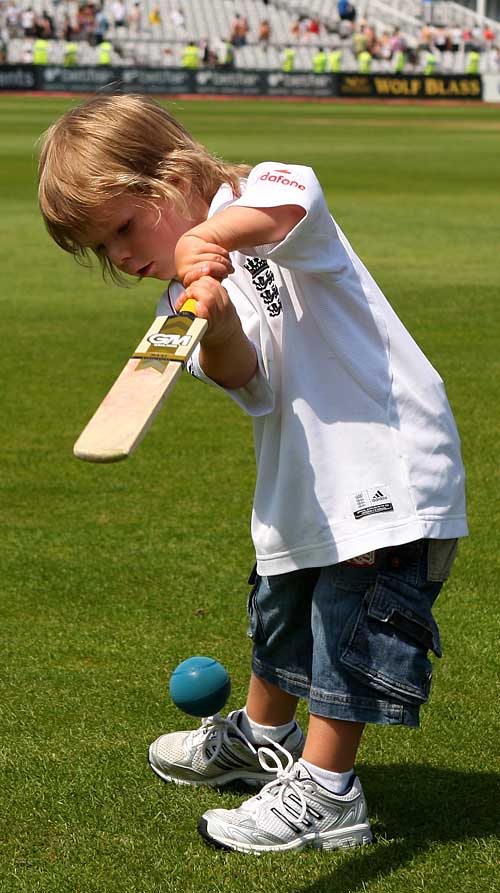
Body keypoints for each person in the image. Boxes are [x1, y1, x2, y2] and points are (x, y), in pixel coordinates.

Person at [37, 94, 468, 855]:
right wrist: (221, 319)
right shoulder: (184, 301)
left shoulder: (261, 192)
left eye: (125, 229)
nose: (122, 257)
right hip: (304, 481)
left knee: (351, 620)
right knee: (281, 607)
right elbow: (248, 381)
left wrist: (207, 238)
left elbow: (285, 209)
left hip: (385, 463)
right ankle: (261, 739)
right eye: (103, 250)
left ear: (168, 177)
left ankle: (329, 792)